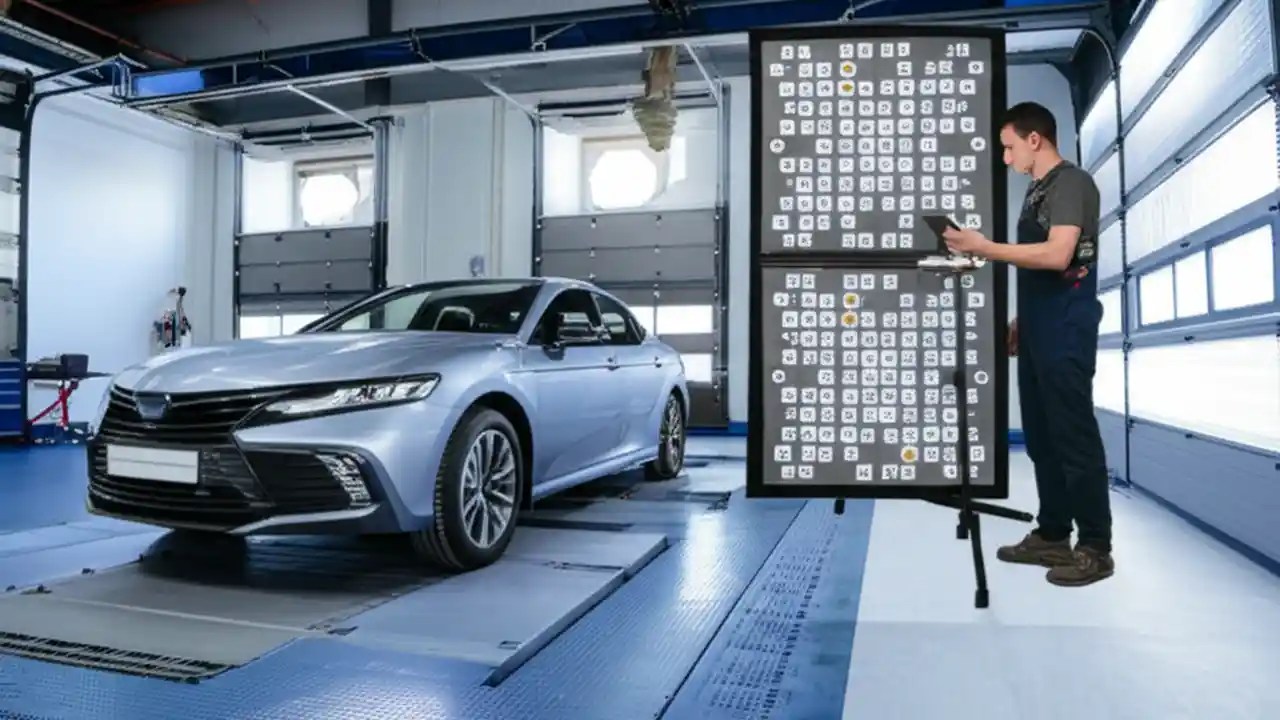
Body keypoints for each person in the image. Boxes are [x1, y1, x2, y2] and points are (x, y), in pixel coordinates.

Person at [940, 101, 1114, 587]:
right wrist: (1023, 315)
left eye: (1009, 146)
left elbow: (1059, 253)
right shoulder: (1039, 190)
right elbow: (1046, 262)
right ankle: (1053, 534)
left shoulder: (1073, 183)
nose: (1006, 157)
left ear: (1034, 140)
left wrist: (985, 247)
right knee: (1041, 437)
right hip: (1040, 324)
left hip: (1066, 328)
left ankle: (1096, 546)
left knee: (1072, 435)